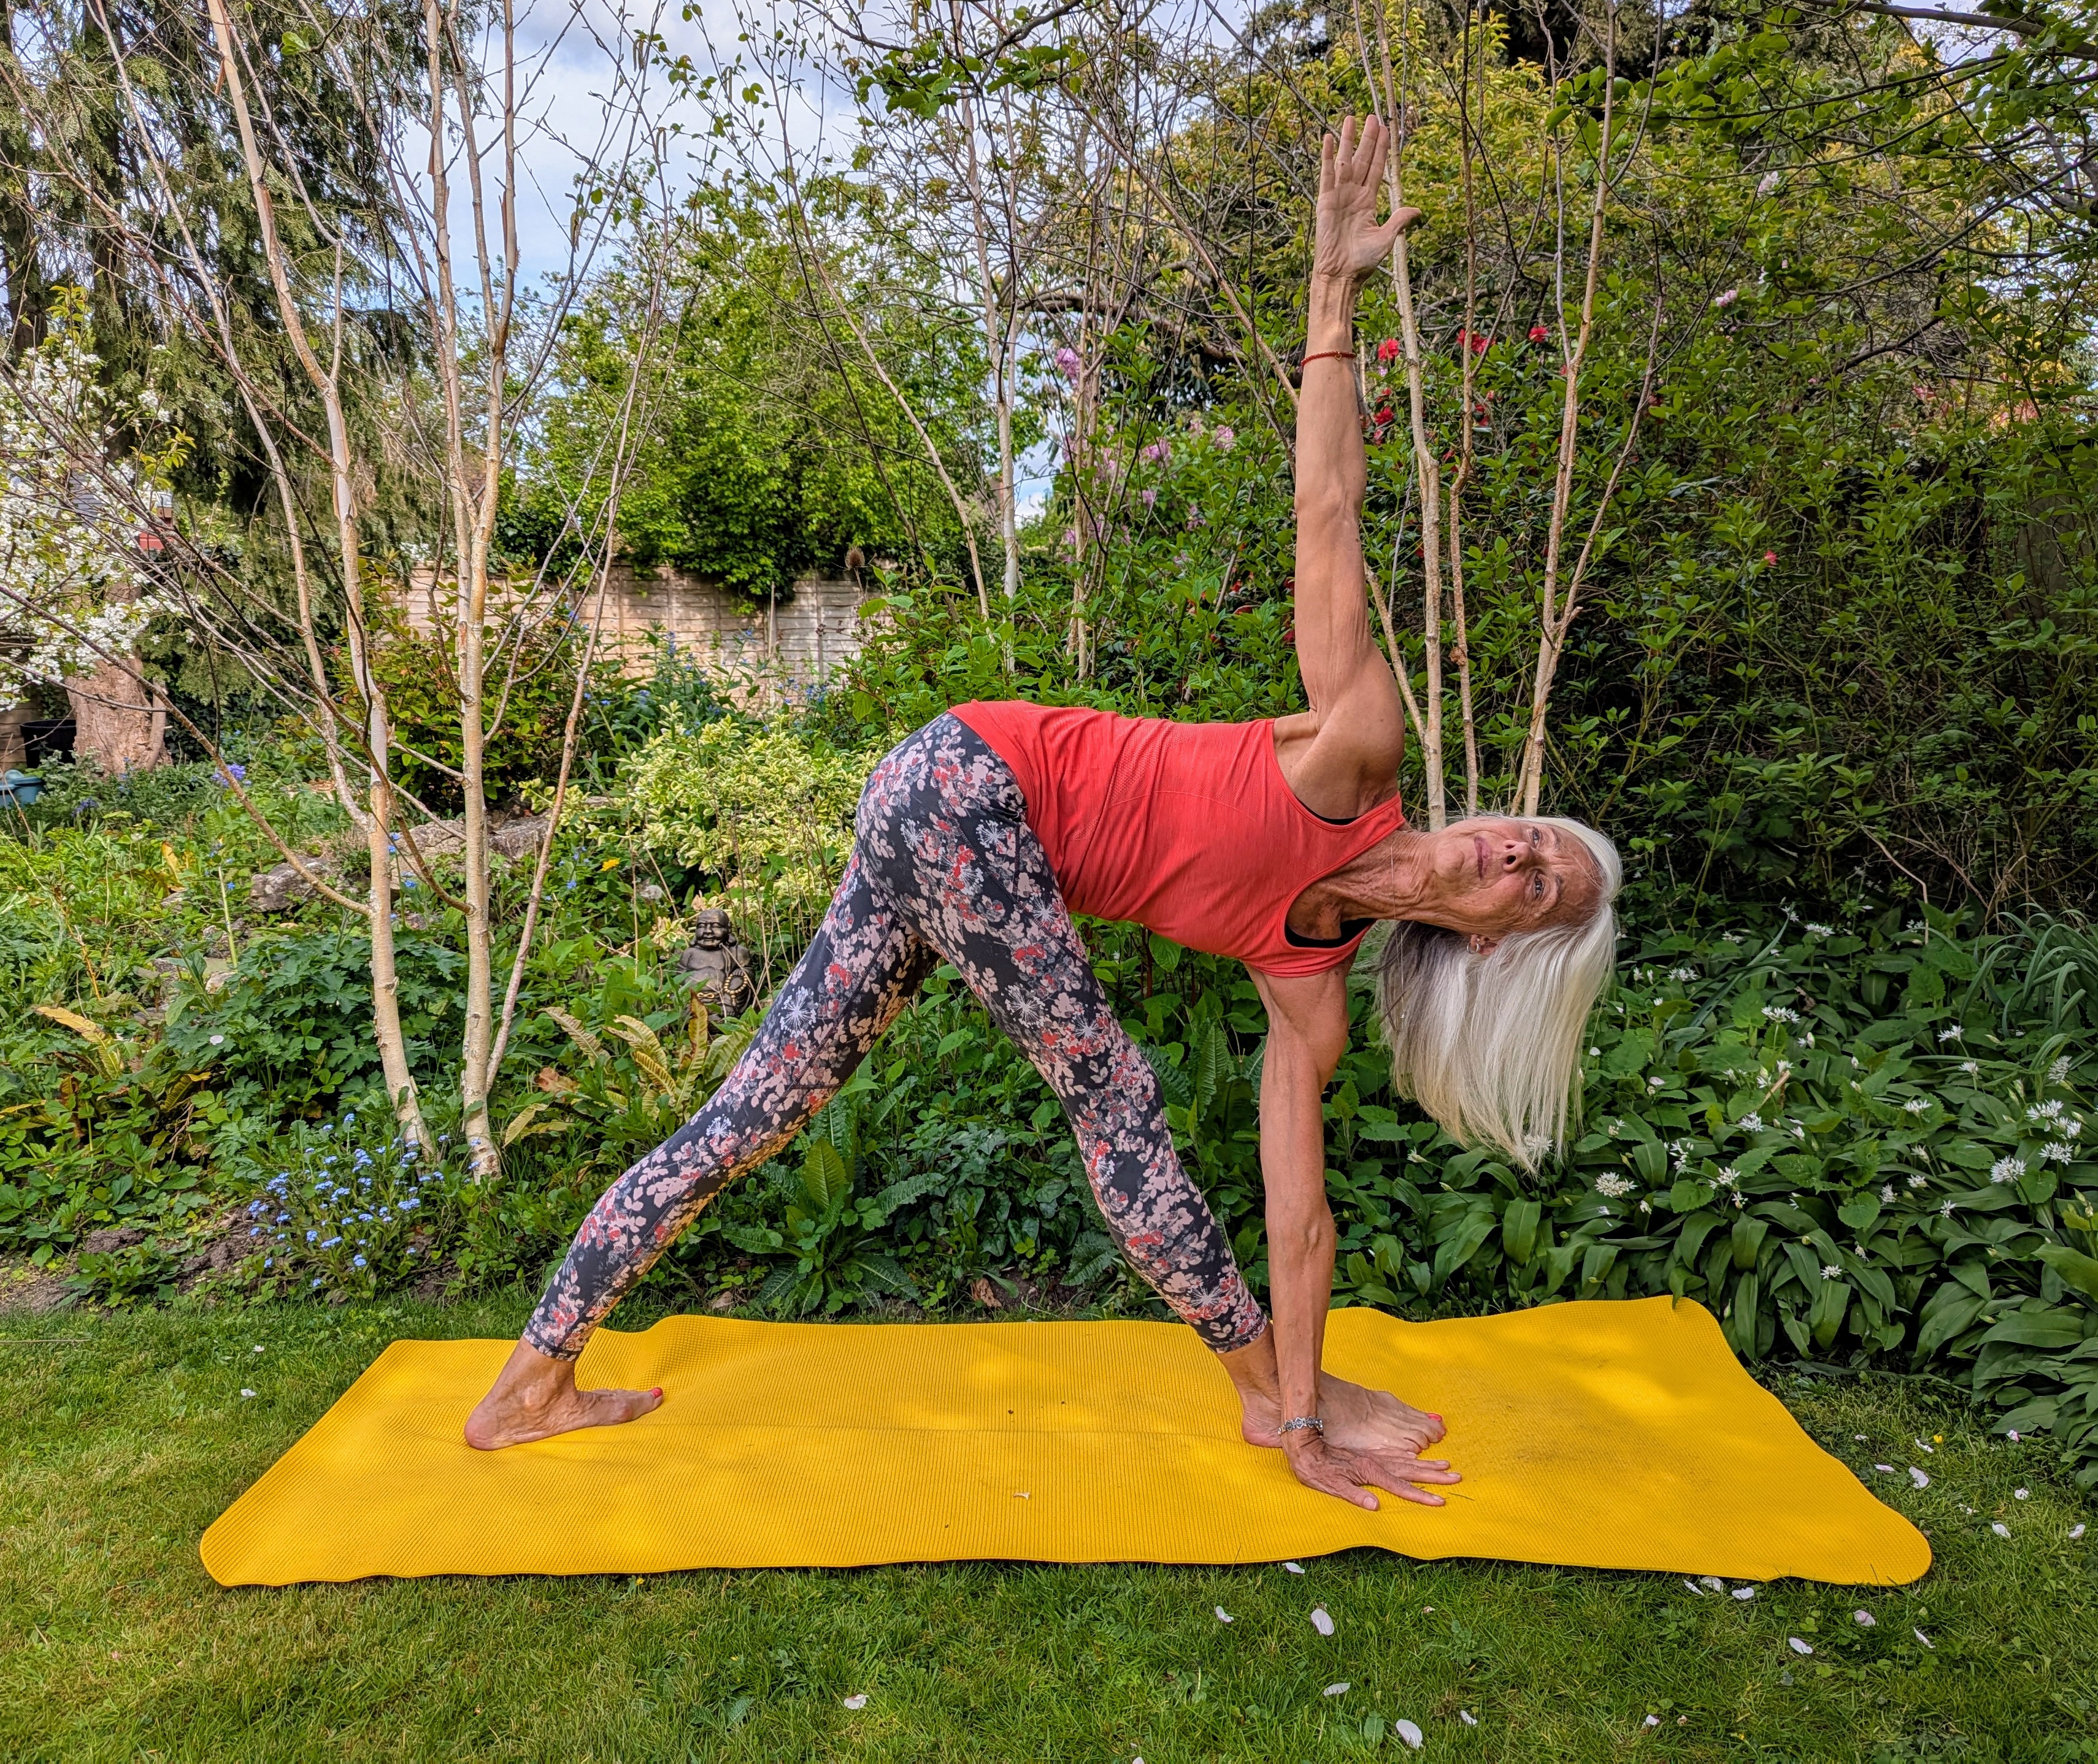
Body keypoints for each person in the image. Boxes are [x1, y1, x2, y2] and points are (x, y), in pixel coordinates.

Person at [466, 116, 1619, 1513]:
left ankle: (529, 1382)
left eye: (1538, 886)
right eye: (1536, 836)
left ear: (1498, 944)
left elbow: (1298, 1215)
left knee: (765, 1105)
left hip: (940, 820)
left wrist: (1318, 1398)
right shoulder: (1360, 752)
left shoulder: (1309, 989)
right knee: (1114, 1096)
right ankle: (1260, 1400)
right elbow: (1328, 510)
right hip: (969, 787)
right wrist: (1330, 293)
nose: (1517, 850)